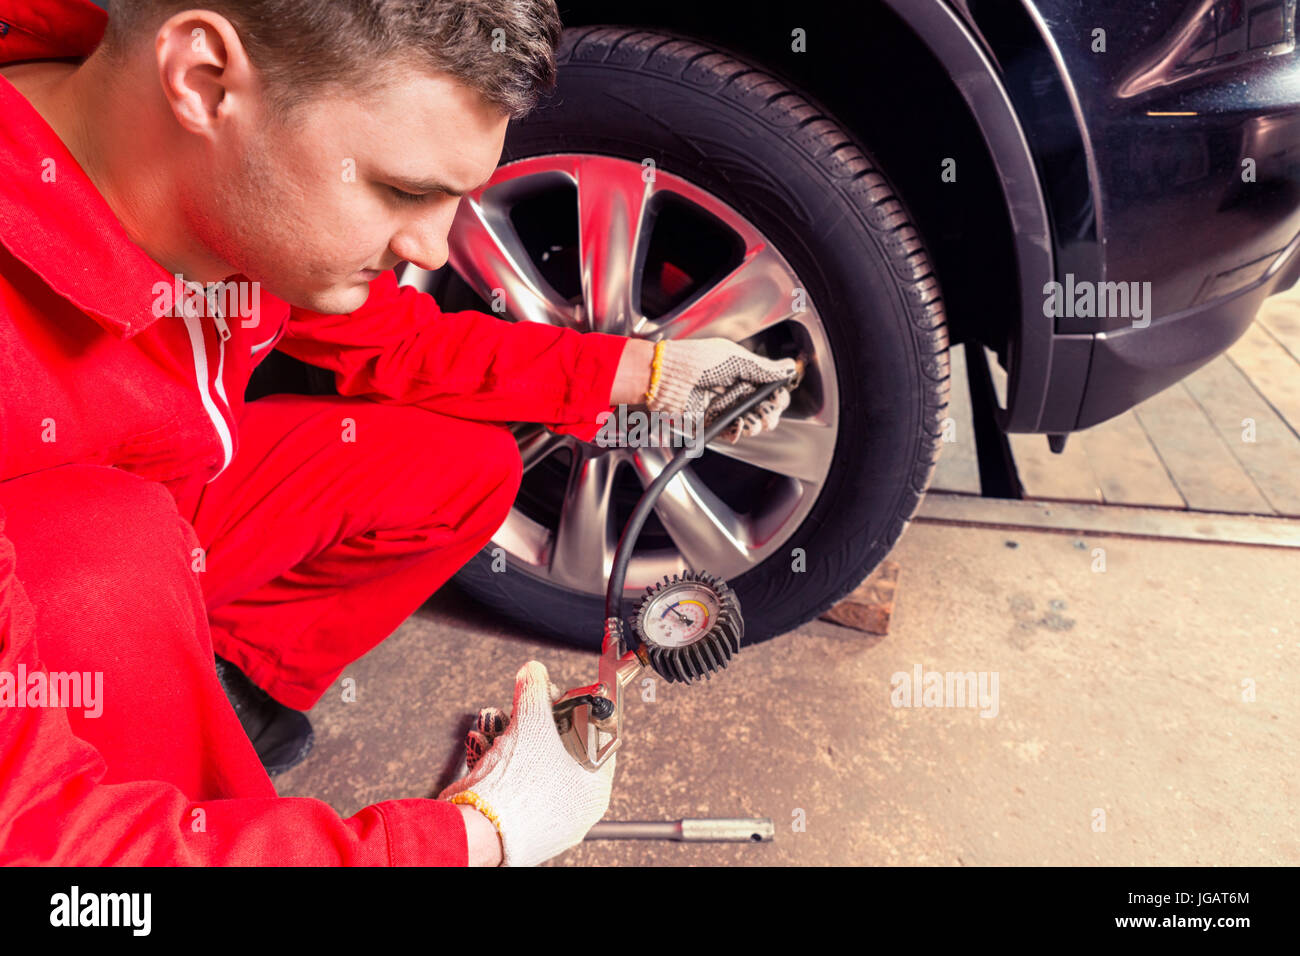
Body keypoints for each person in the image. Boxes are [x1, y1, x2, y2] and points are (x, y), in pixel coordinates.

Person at [0, 0, 797, 866]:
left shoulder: (205, 178)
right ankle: (174, 768)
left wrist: (646, 375)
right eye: (405, 191)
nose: (432, 246)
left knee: (459, 467)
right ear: (203, 80)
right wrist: (458, 842)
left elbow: (397, 342)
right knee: (107, 552)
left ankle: (224, 687)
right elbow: (35, 842)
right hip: (70, 561)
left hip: (179, 490)